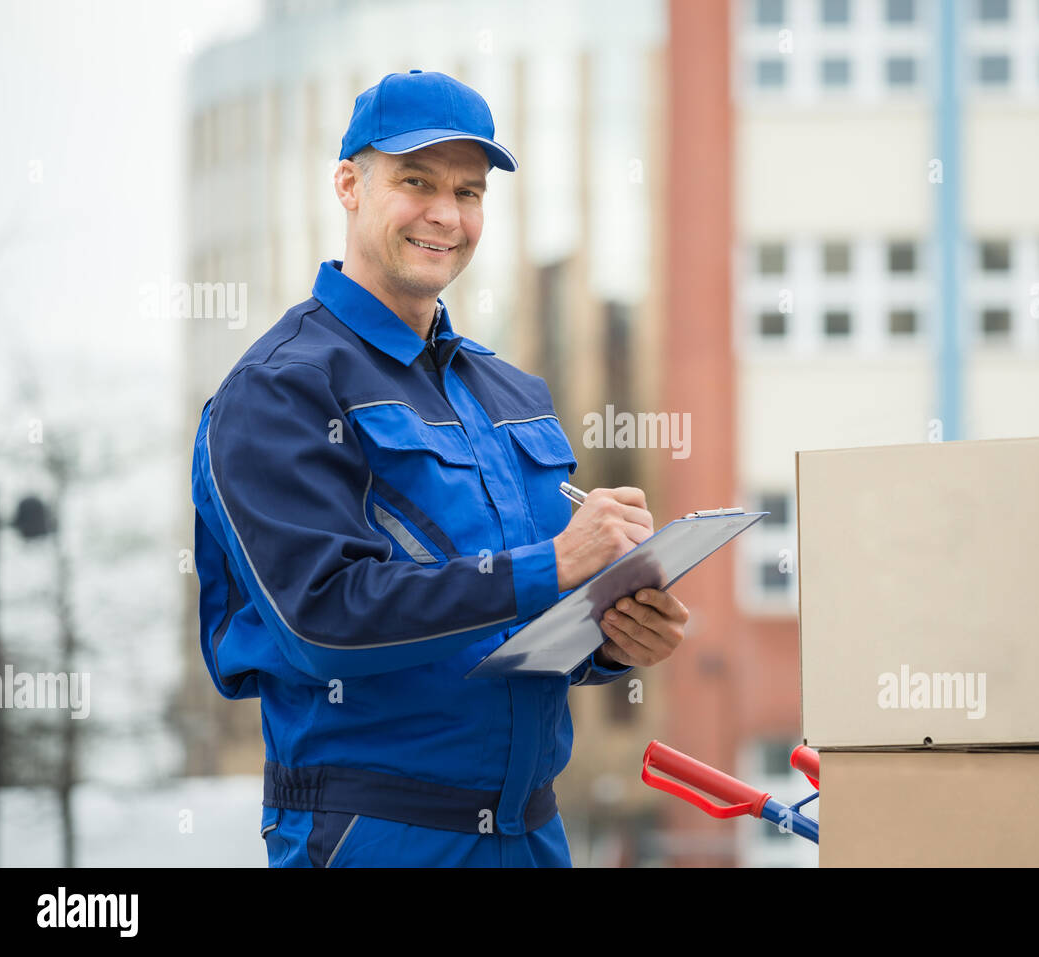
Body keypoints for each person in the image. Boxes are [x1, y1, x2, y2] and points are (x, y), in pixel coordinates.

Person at [190, 69, 689, 867]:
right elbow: (322, 620)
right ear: (349, 184)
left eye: (470, 191)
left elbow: (519, 619)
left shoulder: (508, 391)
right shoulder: (282, 389)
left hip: (531, 834)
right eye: (415, 181)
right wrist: (557, 559)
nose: (446, 215)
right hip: (375, 836)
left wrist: (612, 636)